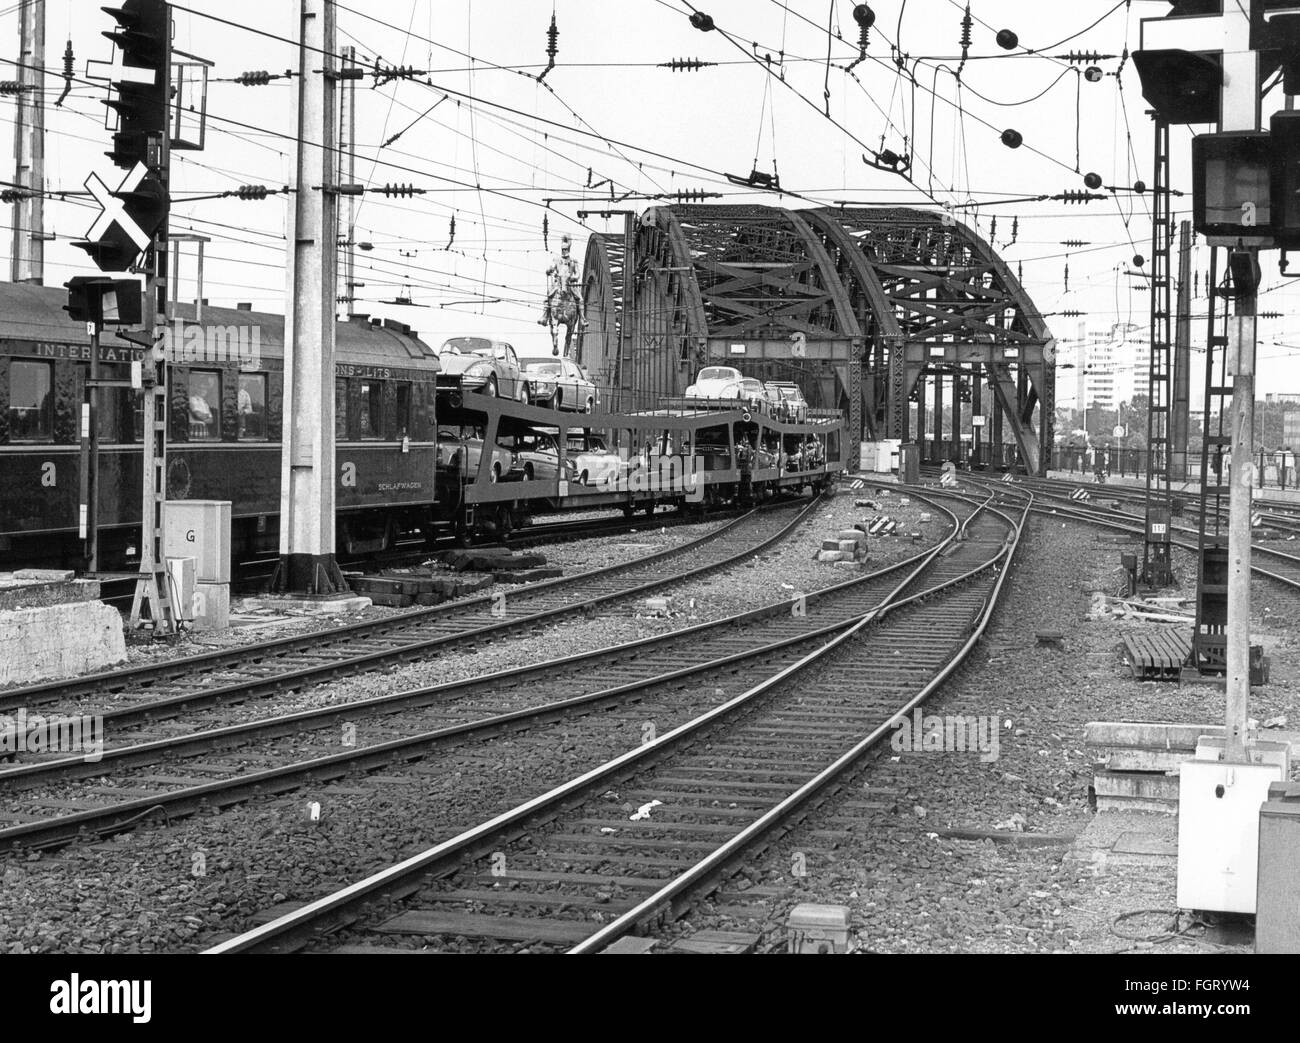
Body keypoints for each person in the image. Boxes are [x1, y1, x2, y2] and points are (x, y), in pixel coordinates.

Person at [538, 234, 588, 329]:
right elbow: (552, 268)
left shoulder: (573, 261)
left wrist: (572, 278)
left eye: (565, 249)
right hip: (558, 284)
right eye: (562, 249)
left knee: (580, 299)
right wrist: (549, 270)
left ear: (568, 249)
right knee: (548, 296)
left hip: (570, 284)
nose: (563, 251)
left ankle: (582, 318)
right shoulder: (557, 260)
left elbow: (578, 274)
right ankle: (544, 316)